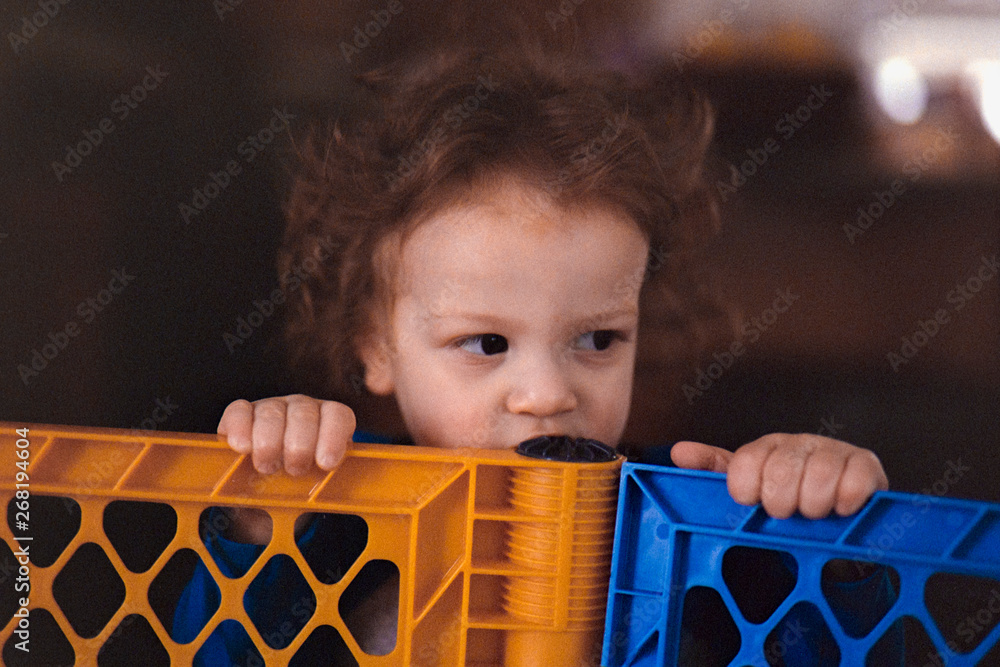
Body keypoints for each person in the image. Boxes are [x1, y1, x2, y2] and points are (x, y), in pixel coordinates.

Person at [173, 45, 892, 665]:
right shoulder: (334, 509)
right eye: (486, 343)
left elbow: (835, 647)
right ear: (375, 345)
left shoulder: (693, 530)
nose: (548, 393)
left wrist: (826, 539)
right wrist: (260, 521)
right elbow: (215, 648)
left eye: (598, 339)